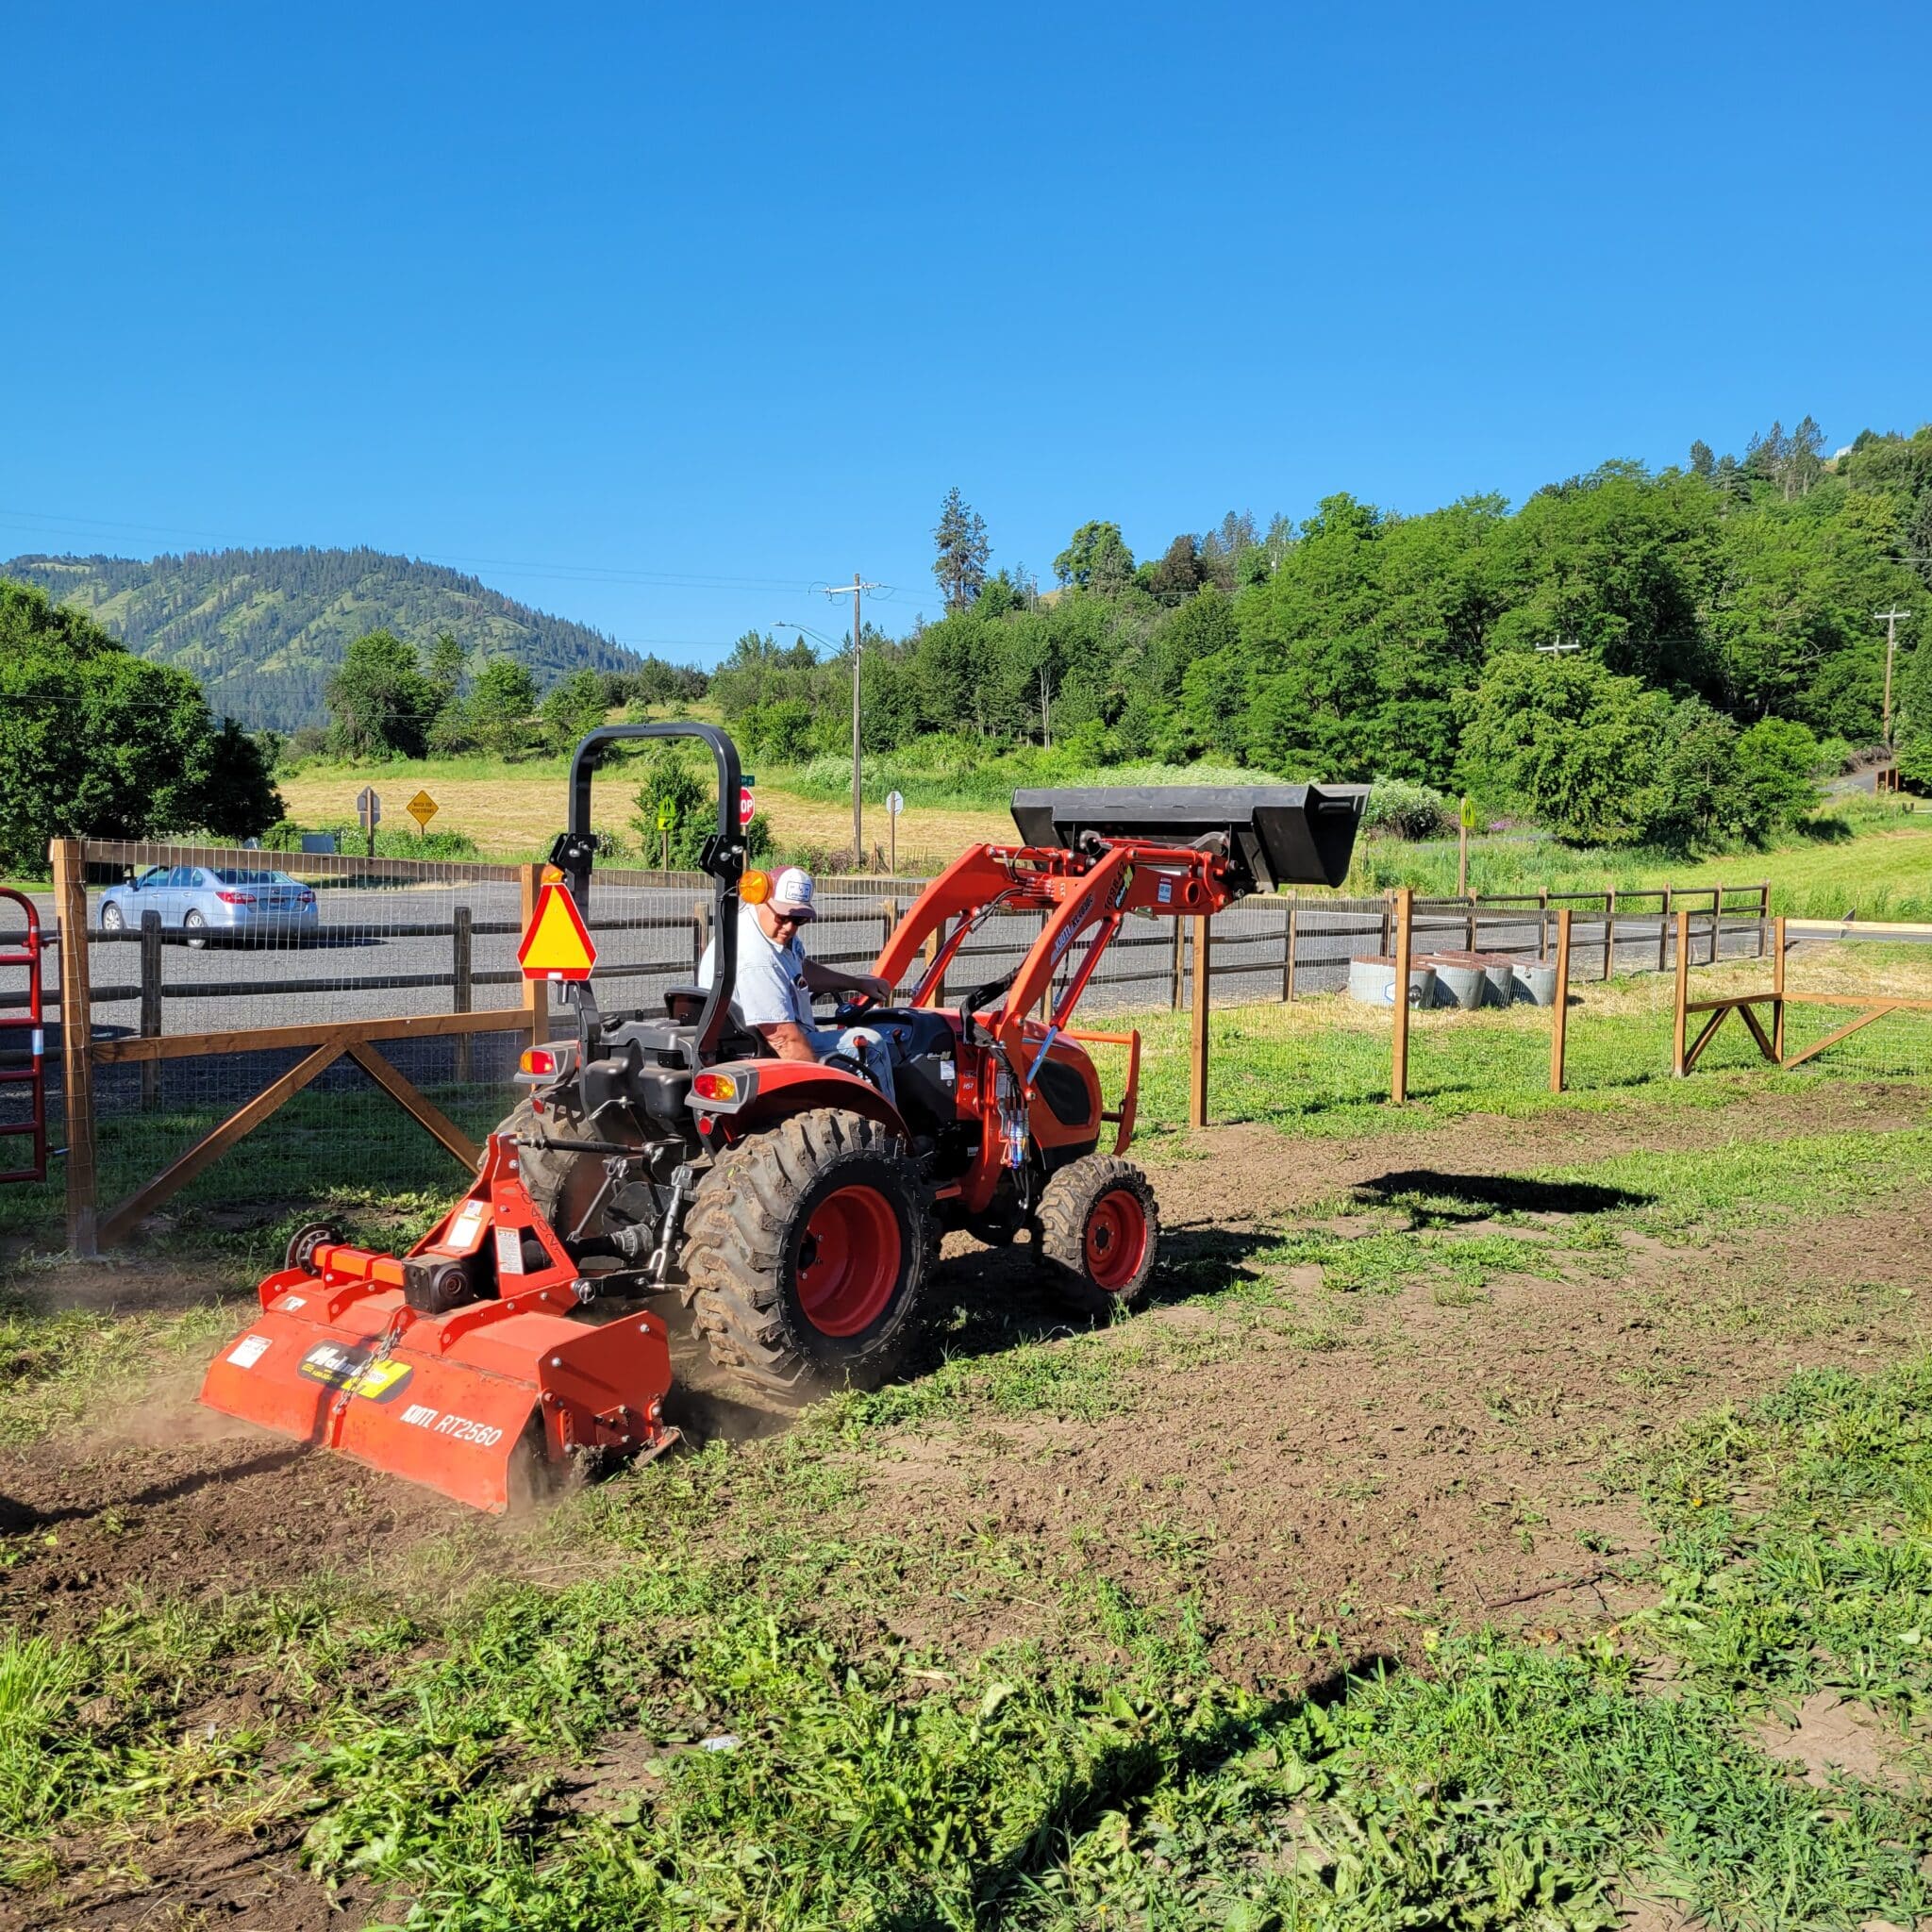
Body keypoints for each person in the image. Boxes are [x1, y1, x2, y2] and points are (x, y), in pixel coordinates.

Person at [695, 866, 899, 1102]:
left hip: (752, 1041)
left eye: (798, 919)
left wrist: (855, 983)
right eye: (782, 917)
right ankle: (890, 1133)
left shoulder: (765, 933)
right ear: (762, 901)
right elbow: (783, 1039)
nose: (790, 927)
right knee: (872, 1044)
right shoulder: (757, 956)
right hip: (764, 1051)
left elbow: (798, 969)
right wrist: (821, 1096)